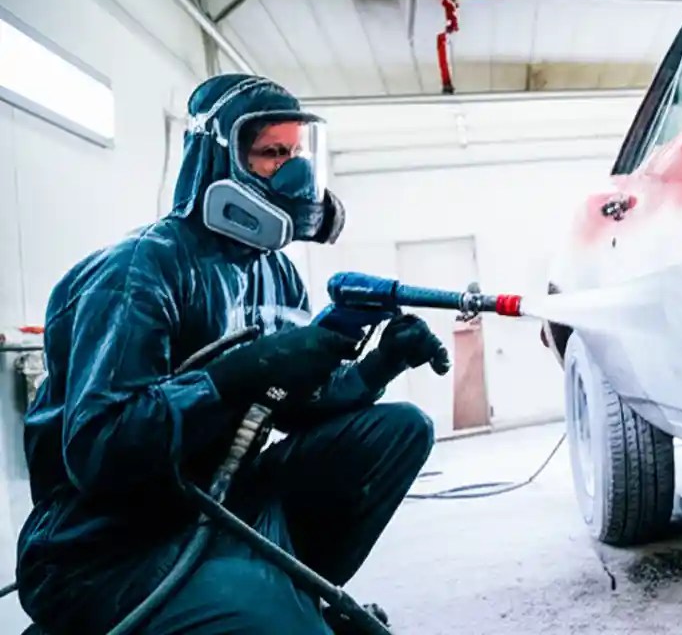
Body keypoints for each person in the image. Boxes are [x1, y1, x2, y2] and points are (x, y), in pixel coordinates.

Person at [15, 74, 450, 634]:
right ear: (218, 161)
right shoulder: (136, 272)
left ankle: (285, 591)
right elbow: (99, 449)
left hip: (218, 503)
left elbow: (290, 405)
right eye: (272, 153)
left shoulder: (275, 272)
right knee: (273, 620)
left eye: (297, 153)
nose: (294, 171)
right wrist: (235, 376)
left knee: (399, 430)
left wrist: (376, 367)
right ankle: (263, 606)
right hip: (105, 548)